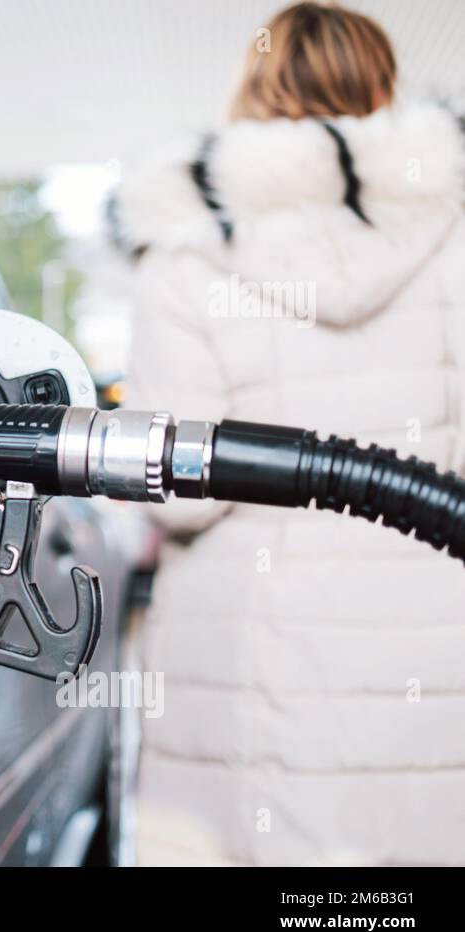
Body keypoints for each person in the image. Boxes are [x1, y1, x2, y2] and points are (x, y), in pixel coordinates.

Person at [110, 1, 465, 865]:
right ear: (385, 89)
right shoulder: (455, 234)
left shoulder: (189, 254)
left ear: (256, 88)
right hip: (429, 634)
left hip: (249, 638)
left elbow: (180, 493)